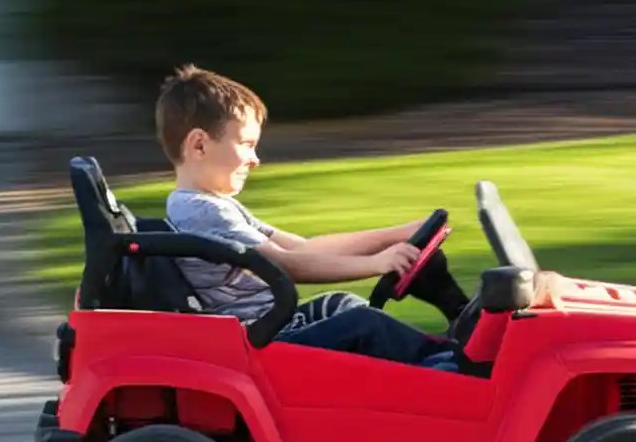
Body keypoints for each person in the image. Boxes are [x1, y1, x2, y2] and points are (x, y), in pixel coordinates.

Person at [155, 63, 468, 370]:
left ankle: (443, 355)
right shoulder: (202, 211)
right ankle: (454, 369)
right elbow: (287, 265)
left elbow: (303, 249)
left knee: (343, 305)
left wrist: (394, 235)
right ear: (199, 145)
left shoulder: (214, 205)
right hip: (260, 341)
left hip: (273, 327)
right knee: (363, 324)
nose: (256, 160)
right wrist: (375, 264)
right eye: (247, 145)